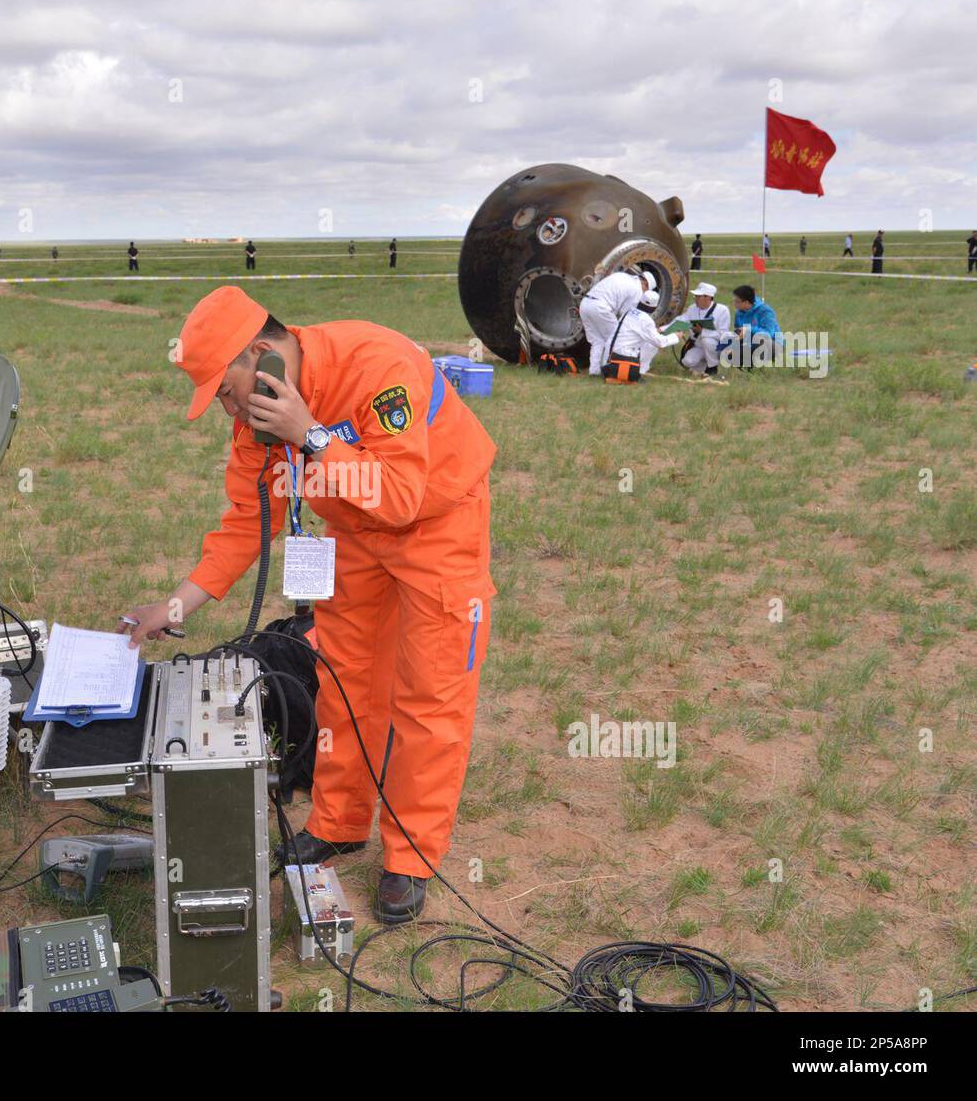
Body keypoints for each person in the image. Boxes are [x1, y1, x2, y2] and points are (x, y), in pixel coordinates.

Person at [119, 286, 497, 923]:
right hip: (354, 533)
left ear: (261, 357)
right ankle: (341, 819)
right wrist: (174, 607)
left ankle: (410, 857)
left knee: (430, 696)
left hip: (438, 524)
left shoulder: (375, 367)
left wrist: (312, 436)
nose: (226, 410)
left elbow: (402, 496)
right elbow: (245, 522)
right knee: (343, 677)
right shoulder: (258, 424)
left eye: (224, 391)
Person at [579, 267, 656, 377]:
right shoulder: (637, 289)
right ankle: (609, 370)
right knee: (616, 339)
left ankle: (594, 372)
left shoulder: (622, 276)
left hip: (585, 304)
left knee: (597, 341)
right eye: (646, 290)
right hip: (601, 307)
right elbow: (626, 314)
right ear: (645, 284)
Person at [607, 289, 679, 379]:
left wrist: (655, 331)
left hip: (609, 356)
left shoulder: (628, 312)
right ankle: (640, 372)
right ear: (655, 307)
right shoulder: (646, 320)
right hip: (621, 361)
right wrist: (676, 336)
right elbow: (660, 342)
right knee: (652, 345)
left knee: (648, 341)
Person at [671, 282, 732, 378]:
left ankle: (712, 368)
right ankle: (702, 368)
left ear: (708, 297)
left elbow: (723, 335)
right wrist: (663, 329)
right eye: (695, 296)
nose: (695, 298)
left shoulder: (722, 310)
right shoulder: (692, 308)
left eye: (698, 296)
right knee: (687, 362)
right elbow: (681, 320)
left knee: (707, 340)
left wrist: (703, 332)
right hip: (698, 345)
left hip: (715, 346)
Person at [729, 284, 782, 368]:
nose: (734, 303)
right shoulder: (739, 313)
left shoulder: (765, 311)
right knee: (728, 349)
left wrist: (749, 329)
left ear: (746, 302)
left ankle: (760, 369)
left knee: (760, 340)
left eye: (737, 301)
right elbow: (739, 331)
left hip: (773, 344)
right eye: (734, 300)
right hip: (750, 343)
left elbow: (768, 333)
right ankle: (749, 373)